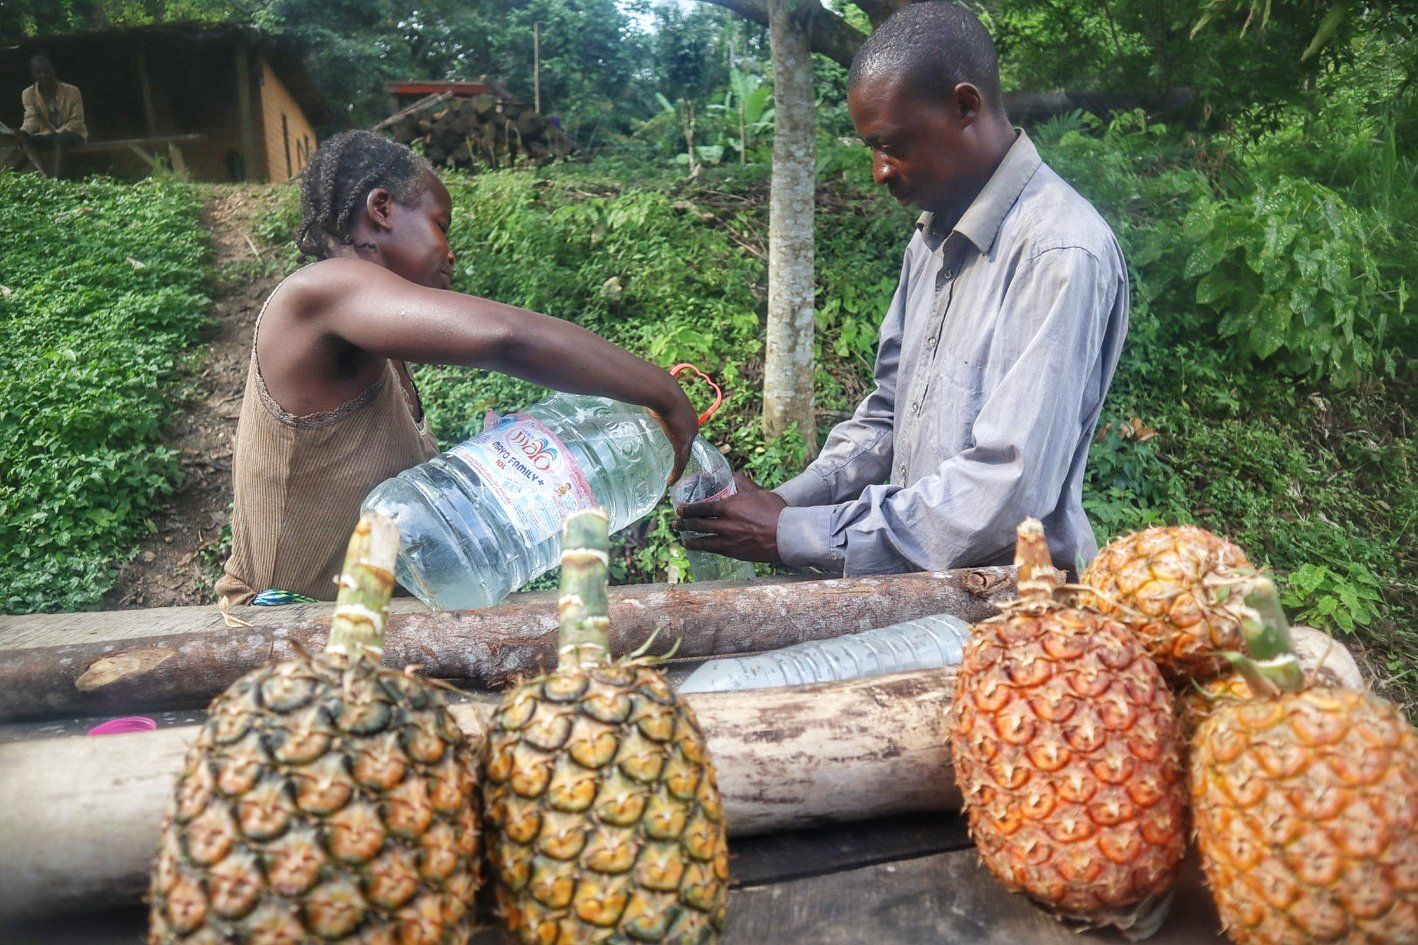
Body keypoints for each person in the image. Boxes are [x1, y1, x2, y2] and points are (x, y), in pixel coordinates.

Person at [676, 2, 1129, 576]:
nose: (880, 171)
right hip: (917, 593)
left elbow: (1005, 493)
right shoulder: (932, 239)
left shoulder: (1059, 250)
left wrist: (792, 533)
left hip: (1017, 611)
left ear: (966, 106)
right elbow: (888, 417)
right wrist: (784, 503)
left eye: (893, 144)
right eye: (872, 148)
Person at [216, 130, 698, 605]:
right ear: (381, 209)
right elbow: (508, 339)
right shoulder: (322, 292)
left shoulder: (376, 352)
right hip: (273, 634)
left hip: (357, 633)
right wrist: (665, 395)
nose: (450, 251)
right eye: (440, 224)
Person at [17, 54, 87, 178]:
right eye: (39, 72)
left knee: (60, 140)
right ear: (33, 74)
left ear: (52, 70)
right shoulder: (28, 94)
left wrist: (59, 132)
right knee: (26, 141)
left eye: (47, 71)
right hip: (48, 134)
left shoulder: (72, 91)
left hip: (73, 134)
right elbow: (31, 117)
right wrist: (23, 131)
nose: (44, 75)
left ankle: (58, 180)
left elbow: (77, 121)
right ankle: (46, 176)